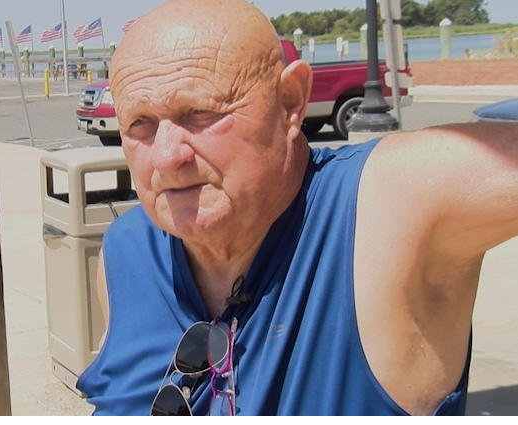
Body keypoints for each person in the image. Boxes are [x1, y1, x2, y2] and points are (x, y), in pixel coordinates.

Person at [75, 0, 518, 417]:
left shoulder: (380, 209)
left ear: (290, 101)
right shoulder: (126, 253)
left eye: (199, 113)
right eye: (140, 124)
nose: (167, 158)